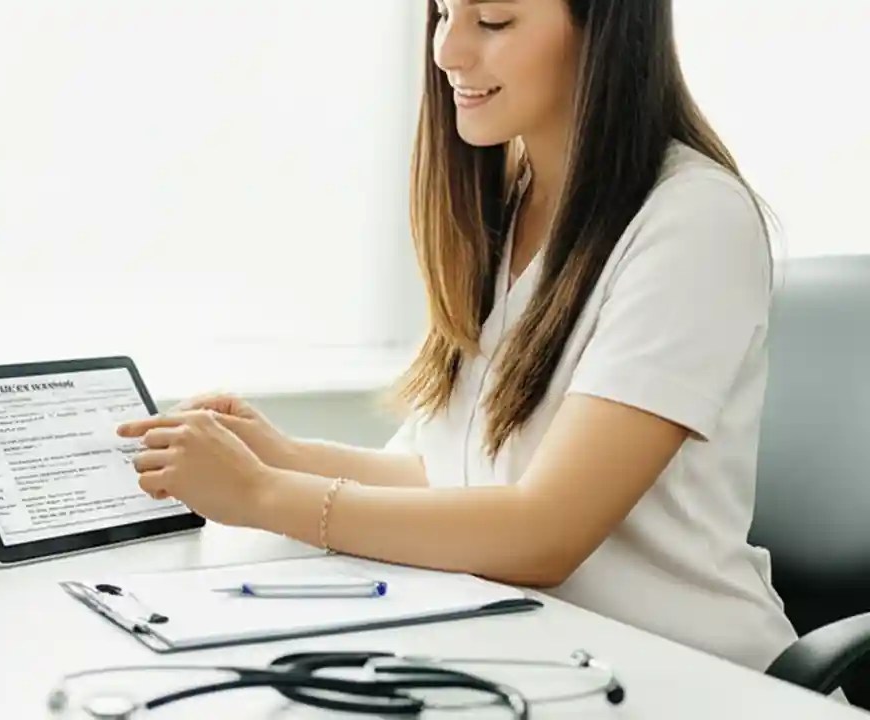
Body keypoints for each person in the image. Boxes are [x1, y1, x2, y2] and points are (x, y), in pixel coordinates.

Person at [116, 0, 800, 674]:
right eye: (443, 13)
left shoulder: (694, 221)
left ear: (606, 28)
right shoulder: (503, 206)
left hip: (693, 677)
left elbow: (543, 533)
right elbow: (444, 475)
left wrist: (264, 495)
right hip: (539, 658)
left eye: (493, 20)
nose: (447, 50)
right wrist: (283, 456)